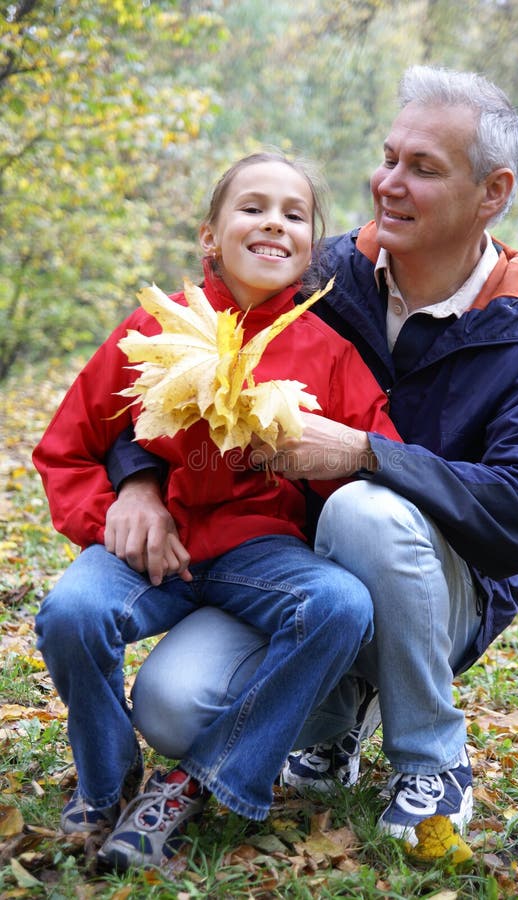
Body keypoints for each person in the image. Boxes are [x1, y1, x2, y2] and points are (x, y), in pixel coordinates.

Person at [104, 64, 518, 847]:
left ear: (492, 193)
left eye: (422, 169)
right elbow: (175, 363)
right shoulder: (317, 275)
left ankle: (432, 757)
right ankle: (333, 721)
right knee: (170, 705)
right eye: (390, 157)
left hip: (446, 593)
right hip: (294, 574)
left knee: (365, 508)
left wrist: (367, 454)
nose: (387, 182)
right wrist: (138, 480)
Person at [32, 151, 401, 871]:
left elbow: (373, 457)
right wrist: (116, 509)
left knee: (340, 604)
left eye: (295, 215)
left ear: (312, 248)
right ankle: (106, 785)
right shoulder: (156, 326)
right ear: (211, 235)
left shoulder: (327, 352)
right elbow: (69, 445)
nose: (274, 223)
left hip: (259, 554)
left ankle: (199, 778)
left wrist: (327, 459)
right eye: (253, 207)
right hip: (153, 549)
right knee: (73, 611)